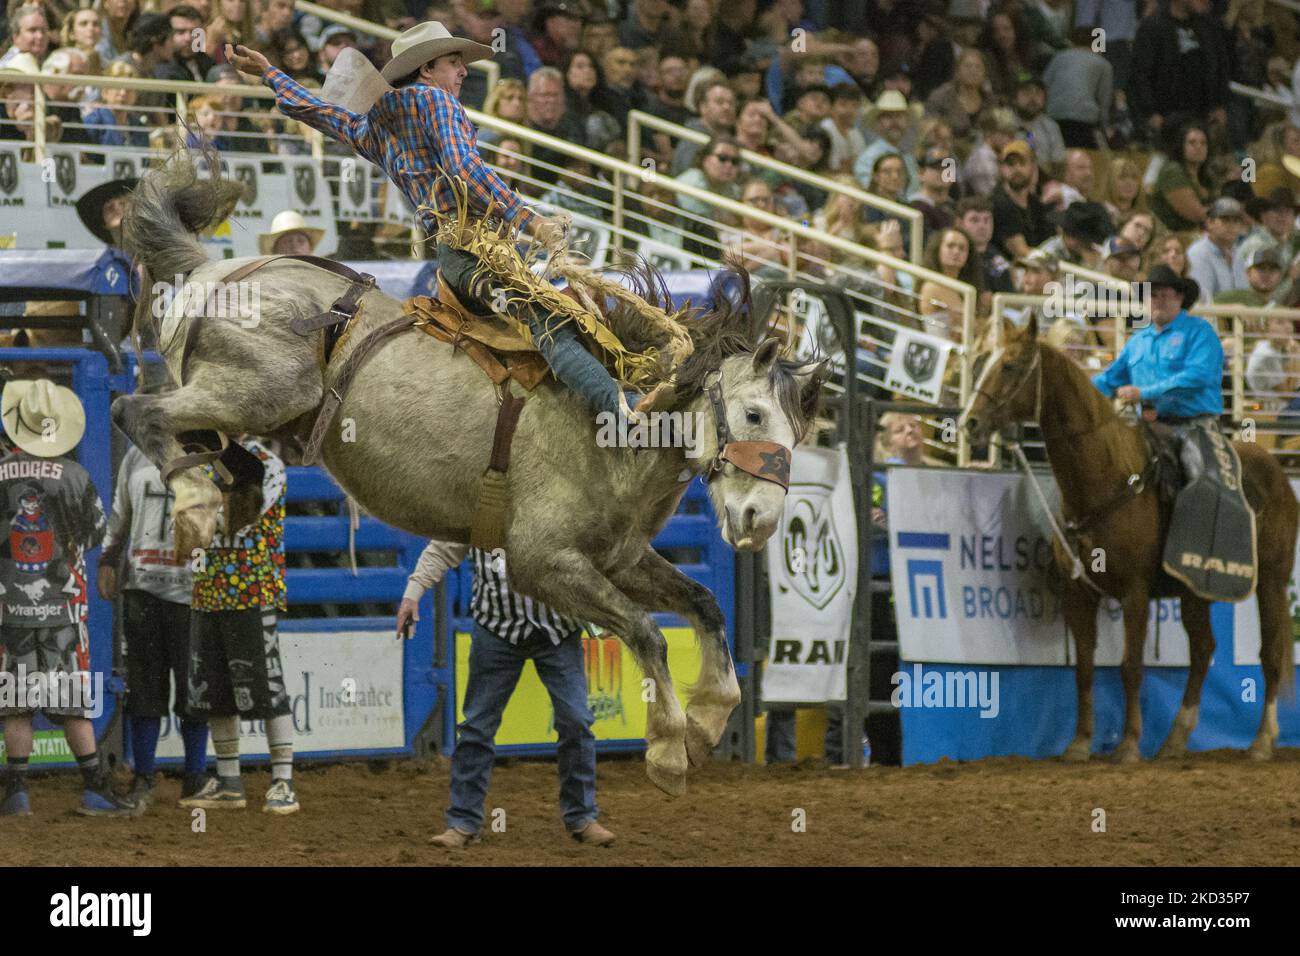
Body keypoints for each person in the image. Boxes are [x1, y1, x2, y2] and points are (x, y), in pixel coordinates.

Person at [229, 21, 645, 421]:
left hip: (455, 259)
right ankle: (621, 416)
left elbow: (319, 112)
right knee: (548, 322)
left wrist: (270, 74)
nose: (464, 70)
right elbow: (465, 168)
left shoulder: (375, 128)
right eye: (453, 61)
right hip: (475, 253)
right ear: (427, 69)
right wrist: (530, 220)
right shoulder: (437, 101)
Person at [398, 542, 614, 847]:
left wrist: (601, 611)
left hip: (556, 628)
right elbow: (443, 547)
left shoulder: (556, 497)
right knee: (477, 726)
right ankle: (463, 822)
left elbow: (590, 553)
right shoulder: (481, 502)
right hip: (497, 628)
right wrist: (413, 593)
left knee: (575, 720)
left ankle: (582, 817)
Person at [0, 380, 134, 817]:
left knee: (15, 701)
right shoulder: (74, 477)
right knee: (70, 701)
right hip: (62, 608)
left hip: (9, 607)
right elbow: (96, 532)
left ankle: (17, 792)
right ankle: (95, 787)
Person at [178, 439, 299, 814]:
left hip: (251, 590)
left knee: (267, 685)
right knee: (213, 687)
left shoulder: (267, 463)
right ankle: (229, 779)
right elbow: (190, 524)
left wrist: (199, 511)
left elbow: (239, 519)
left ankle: (283, 780)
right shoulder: (205, 462)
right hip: (210, 590)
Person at [98, 437, 208, 811]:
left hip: (192, 591)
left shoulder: (208, 455)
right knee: (144, 685)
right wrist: (108, 560)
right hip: (143, 587)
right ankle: (145, 775)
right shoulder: (135, 455)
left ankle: (194, 776)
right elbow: (120, 514)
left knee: (194, 687)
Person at [1093, 265, 1223, 447]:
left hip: (1195, 425)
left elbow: (1198, 376)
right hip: (1147, 427)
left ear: (1179, 298)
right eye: (1152, 295)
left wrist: (1143, 393)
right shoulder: (1137, 341)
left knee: (1204, 473)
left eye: (1164, 295)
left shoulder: (1200, 331)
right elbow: (1109, 379)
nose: (1157, 301)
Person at [1043, 26, 1112, 149]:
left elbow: (1044, 85)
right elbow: (1104, 100)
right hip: (1084, 120)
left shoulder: (1059, 57)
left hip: (1054, 114)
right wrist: (1104, 128)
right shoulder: (1103, 64)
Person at [991, 139, 1054, 261]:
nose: (1017, 169)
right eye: (1011, 164)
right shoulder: (998, 202)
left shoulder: (1035, 203)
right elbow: (1021, 251)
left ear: (1033, 167)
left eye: (1022, 163)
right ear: (1001, 168)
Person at [1150, 120, 1214, 233]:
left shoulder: (1207, 175)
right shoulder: (1172, 171)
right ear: (1181, 146)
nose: (1198, 147)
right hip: (1172, 238)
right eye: (1192, 143)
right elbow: (1197, 215)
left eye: (1203, 143)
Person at [1186, 197, 1249, 301]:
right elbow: (1202, 300)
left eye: (1236, 221)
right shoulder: (1198, 253)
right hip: (1209, 315)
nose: (1231, 225)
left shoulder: (1238, 253)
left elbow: (1244, 294)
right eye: (1225, 220)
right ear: (1210, 222)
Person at [257, 209, 324, 255]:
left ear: (310, 249)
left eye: (301, 241)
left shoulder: (325, 274)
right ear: (275, 250)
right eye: (288, 241)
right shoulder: (267, 275)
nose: (295, 245)